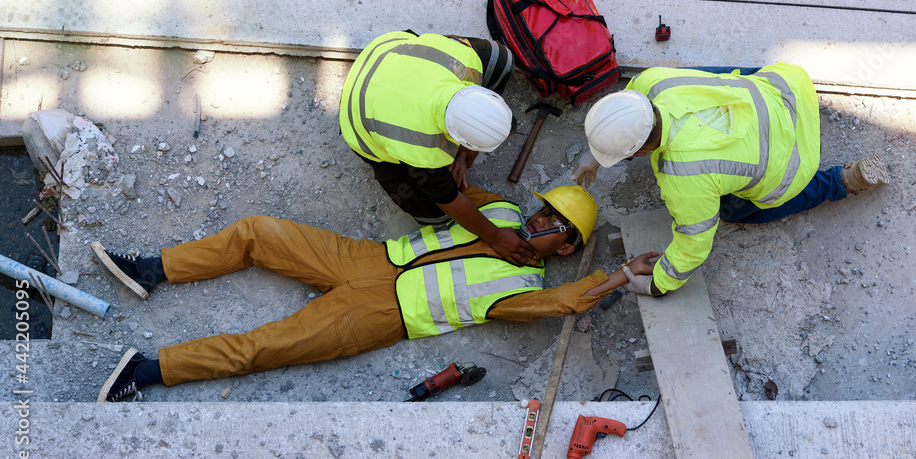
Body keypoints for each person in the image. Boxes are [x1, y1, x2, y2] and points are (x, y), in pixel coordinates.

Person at [90, 185, 659, 403]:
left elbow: (562, 304)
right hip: (368, 257)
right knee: (258, 232)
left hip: (379, 314)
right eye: (544, 209)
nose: (539, 220)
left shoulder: (522, 287)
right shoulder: (504, 212)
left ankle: (148, 370)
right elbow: (452, 190)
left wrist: (619, 276)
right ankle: (151, 270)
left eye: (555, 224)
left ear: (566, 247)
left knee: (263, 347)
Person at [573, 64, 889, 297]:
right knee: (713, 77)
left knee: (732, 211)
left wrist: (659, 284)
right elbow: (626, 109)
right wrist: (598, 152)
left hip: (796, 158)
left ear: (640, 152)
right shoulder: (651, 81)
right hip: (789, 91)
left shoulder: (683, 177)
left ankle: (841, 181)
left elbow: (694, 243)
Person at [340, 30, 537, 266]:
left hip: (384, 52)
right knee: (434, 214)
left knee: (500, 59)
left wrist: (464, 155)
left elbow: (497, 61)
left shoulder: (467, 61)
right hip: (357, 114)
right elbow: (450, 200)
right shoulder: (421, 149)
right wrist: (495, 237)